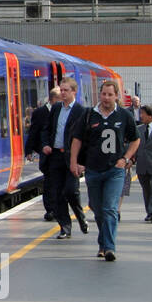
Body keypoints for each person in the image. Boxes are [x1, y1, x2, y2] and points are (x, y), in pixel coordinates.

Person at [71, 80, 139, 261]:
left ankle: (109, 247)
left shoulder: (124, 116)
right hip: (93, 169)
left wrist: (125, 159)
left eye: (110, 94)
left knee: (109, 208)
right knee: (97, 208)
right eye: (104, 94)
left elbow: (135, 139)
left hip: (114, 170)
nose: (106, 98)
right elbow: (77, 139)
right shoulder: (88, 115)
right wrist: (74, 162)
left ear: (116, 95)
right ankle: (103, 241)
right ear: (99, 95)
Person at [42, 76, 87, 239]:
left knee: (71, 191)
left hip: (71, 157)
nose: (62, 93)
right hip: (55, 156)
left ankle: (81, 217)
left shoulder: (81, 111)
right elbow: (47, 129)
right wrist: (46, 144)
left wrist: (82, 161)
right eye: (61, 90)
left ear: (74, 91)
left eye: (66, 90)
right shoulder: (55, 109)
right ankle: (65, 227)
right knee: (57, 193)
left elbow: (85, 138)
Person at [26, 87, 60, 221]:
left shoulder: (63, 111)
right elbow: (34, 132)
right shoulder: (40, 113)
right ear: (53, 99)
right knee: (49, 182)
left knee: (60, 183)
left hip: (60, 154)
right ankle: (50, 209)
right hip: (46, 154)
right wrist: (29, 150)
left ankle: (58, 208)